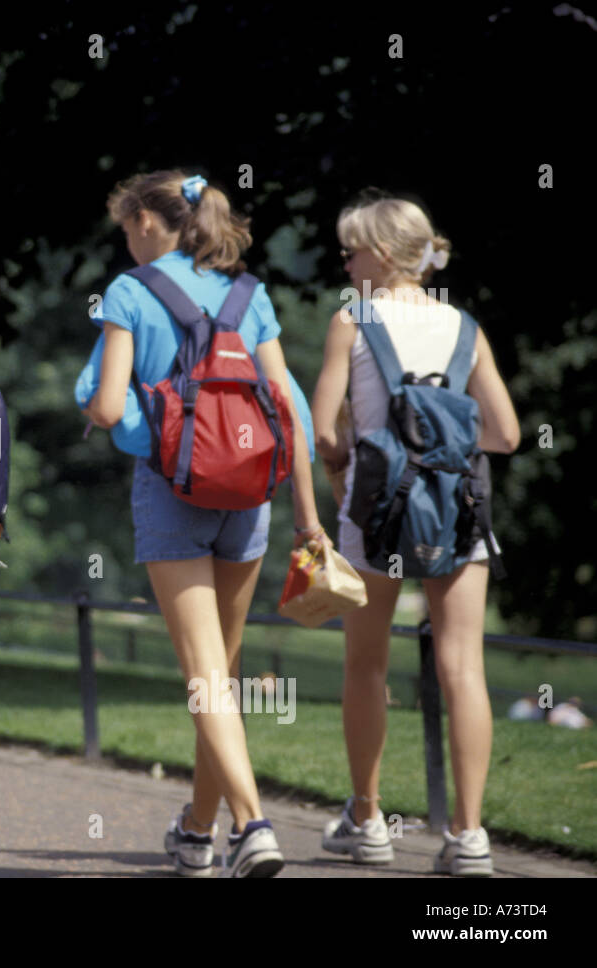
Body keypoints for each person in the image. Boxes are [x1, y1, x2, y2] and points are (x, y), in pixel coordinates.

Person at [84, 170, 327, 877]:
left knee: (203, 676)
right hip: (251, 498)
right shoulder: (250, 295)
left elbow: (104, 407)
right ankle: (197, 829)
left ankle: (253, 824)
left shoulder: (131, 292)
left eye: (128, 227)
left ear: (150, 224)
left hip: (172, 492)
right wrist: (308, 521)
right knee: (222, 671)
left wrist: (149, 430)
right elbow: (291, 413)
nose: (127, 241)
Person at [311, 194, 519, 875]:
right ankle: (468, 836)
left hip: (377, 510)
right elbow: (507, 435)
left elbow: (320, 430)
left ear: (388, 253)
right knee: (464, 669)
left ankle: (367, 819)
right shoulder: (466, 327)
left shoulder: (352, 320)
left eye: (354, 248)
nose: (345, 259)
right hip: (459, 510)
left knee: (366, 665)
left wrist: (349, 459)